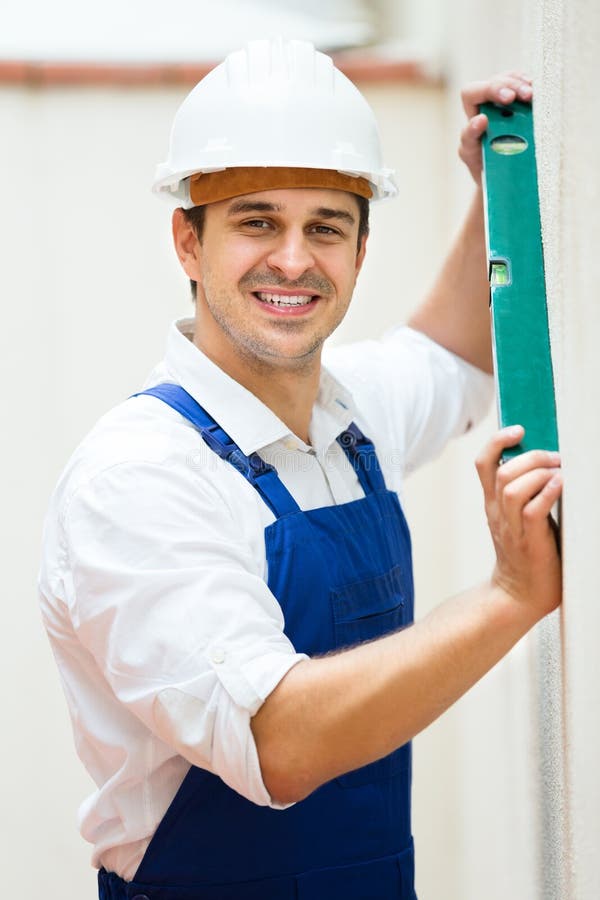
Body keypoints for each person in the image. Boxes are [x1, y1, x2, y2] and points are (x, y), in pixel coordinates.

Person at [39, 39, 562, 900]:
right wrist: (509, 598)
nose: (293, 259)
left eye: (326, 226)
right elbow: (277, 743)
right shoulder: (136, 478)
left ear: (361, 249)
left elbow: (453, 354)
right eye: (256, 220)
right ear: (187, 240)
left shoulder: (349, 419)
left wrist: (493, 185)